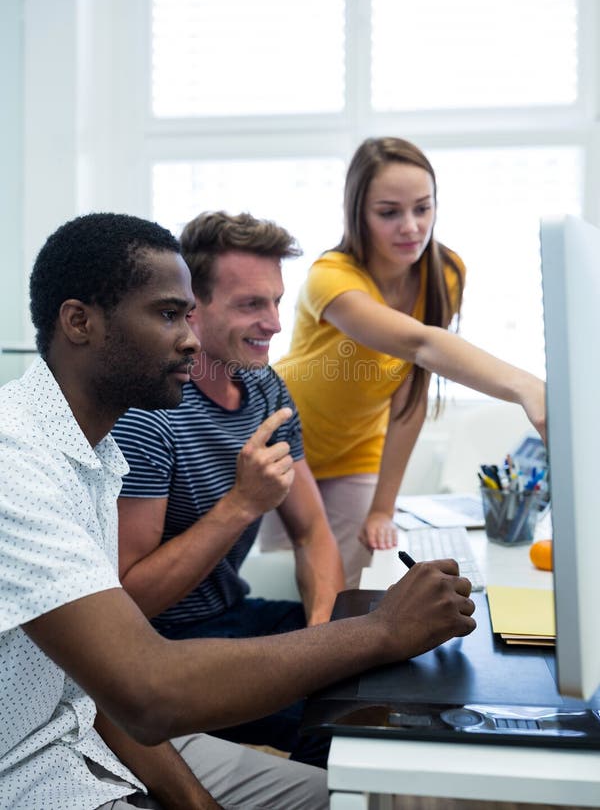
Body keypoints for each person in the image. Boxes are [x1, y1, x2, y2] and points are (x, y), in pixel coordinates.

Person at [0, 211, 476, 809]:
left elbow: (94, 694)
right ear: (79, 322)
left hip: (93, 732)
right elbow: (144, 684)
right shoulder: (18, 461)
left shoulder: (100, 453)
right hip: (36, 769)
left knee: (359, 787)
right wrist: (379, 630)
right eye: (172, 314)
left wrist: (199, 802)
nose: (191, 338)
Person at [111, 210, 345, 762]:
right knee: (336, 724)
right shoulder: (152, 414)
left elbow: (313, 533)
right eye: (250, 305)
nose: (274, 324)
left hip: (238, 615)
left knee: (378, 669)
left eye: (276, 301)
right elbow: (129, 599)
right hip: (169, 648)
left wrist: (320, 641)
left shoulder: (265, 388)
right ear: (193, 309)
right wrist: (242, 504)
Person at [260, 137, 546, 587]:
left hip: (358, 448)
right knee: (302, 576)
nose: (411, 227)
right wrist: (527, 387)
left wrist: (382, 508)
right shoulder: (329, 277)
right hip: (287, 438)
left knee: (349, 584)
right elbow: (419, 344)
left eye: (423, 208)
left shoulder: (445, 273)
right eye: (389, 212)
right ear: (359, 213)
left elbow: (412, 389)